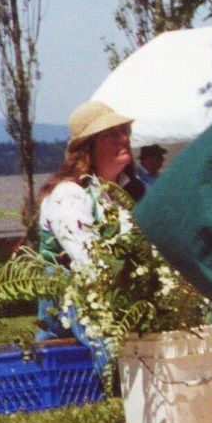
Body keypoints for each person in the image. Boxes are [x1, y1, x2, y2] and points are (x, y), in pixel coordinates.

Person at [37, 100, 142, 378]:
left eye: (124, 132)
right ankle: (116, 393)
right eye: (112, 134)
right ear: (89, 148)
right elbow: (88, 260)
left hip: (115, 293)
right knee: (107, 323)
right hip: (71, 304)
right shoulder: (68, 195)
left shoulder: (120, 194)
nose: (124, 139)